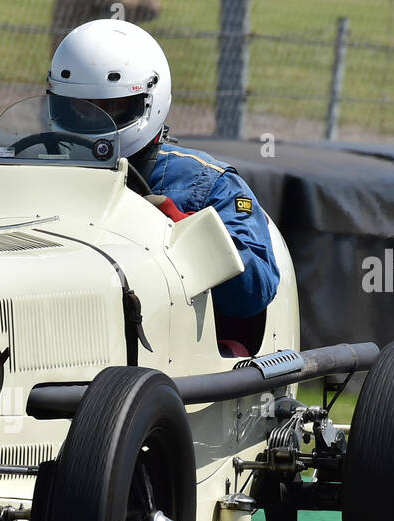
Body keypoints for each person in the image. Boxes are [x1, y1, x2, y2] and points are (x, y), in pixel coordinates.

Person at [47, 19, 280, 321]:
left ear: (148, 101)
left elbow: (255, 292)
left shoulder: (209, 185)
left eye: (110, 107)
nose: (94, 120)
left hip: (170, 353)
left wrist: (183, 229)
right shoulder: (41, 168)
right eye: (80, 107)